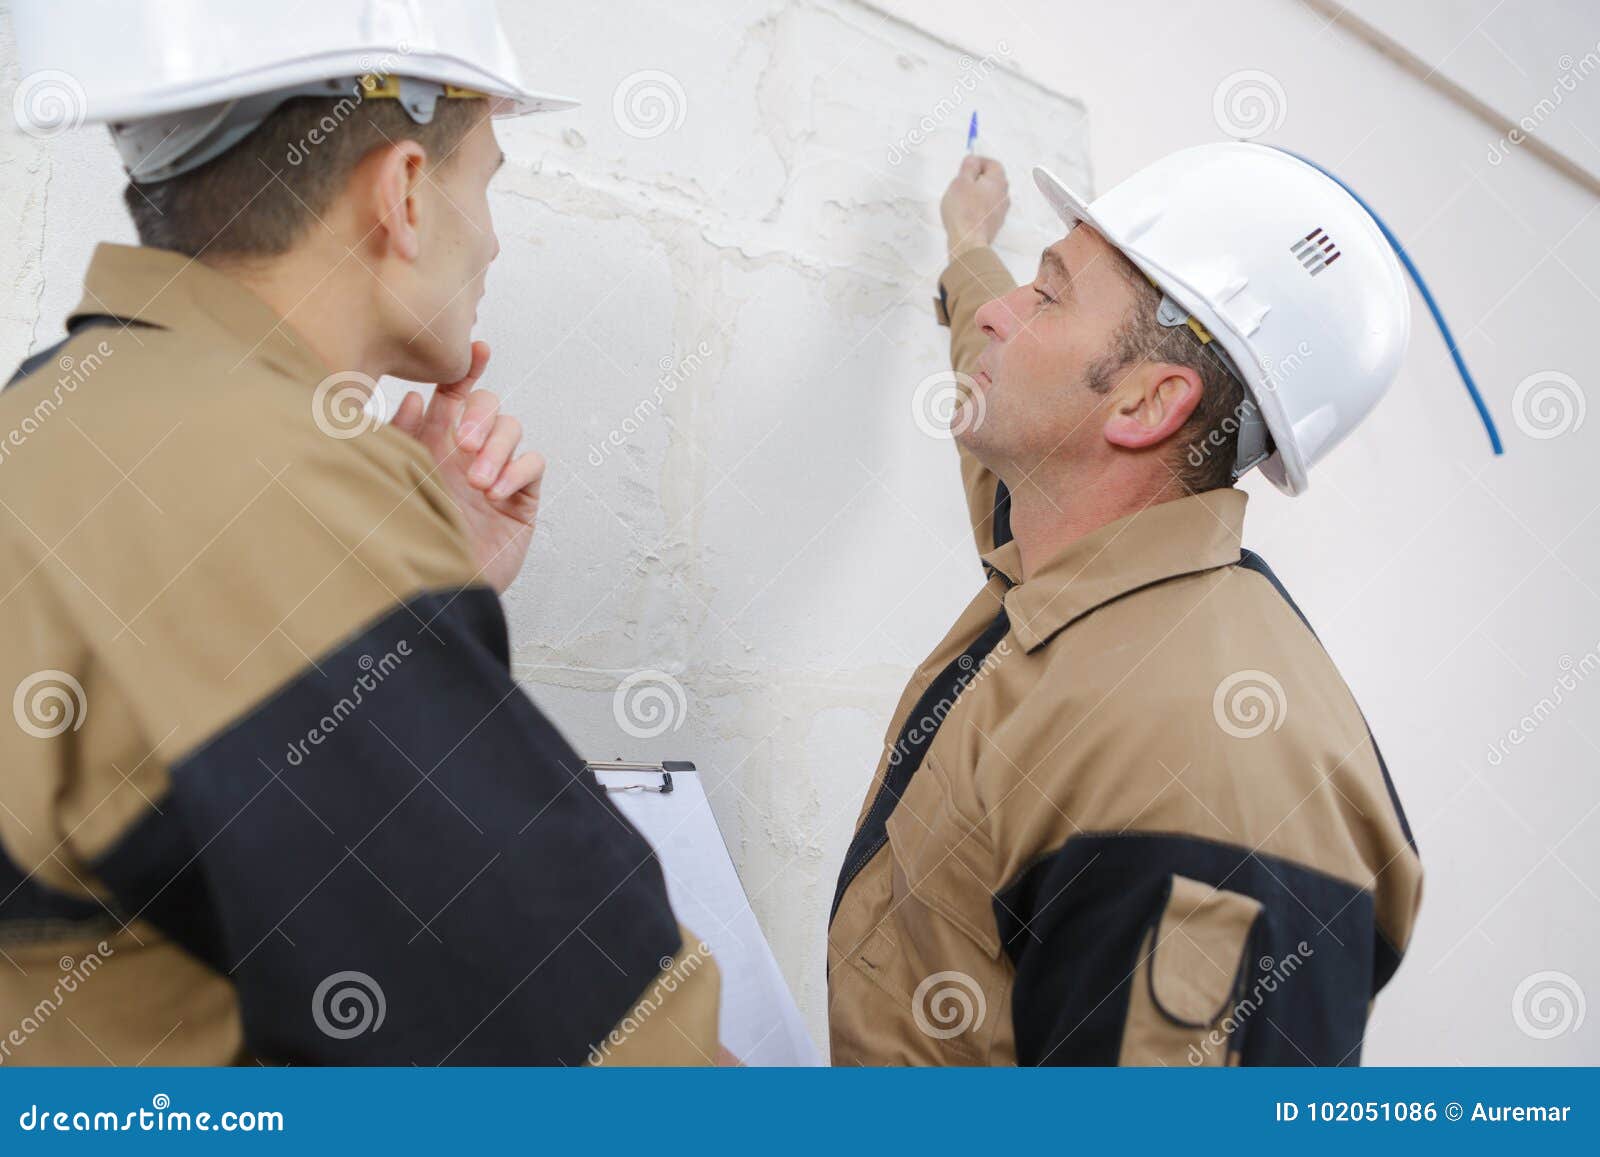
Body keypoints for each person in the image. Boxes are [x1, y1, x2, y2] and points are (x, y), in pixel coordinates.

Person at [0, 1, 721, 1065]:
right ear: (406, 194)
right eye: (489, 180)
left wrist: (407, 596)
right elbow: (602, 1061)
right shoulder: (269, 486)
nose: (494, 240)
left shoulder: (54, 417)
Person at [827, 147, 1424, 1065]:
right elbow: (1000, 385)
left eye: (1047, 294)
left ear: (1148, 405)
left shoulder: (1209, 773)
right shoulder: (1065, 550)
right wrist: (966, 245)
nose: (997, 312)